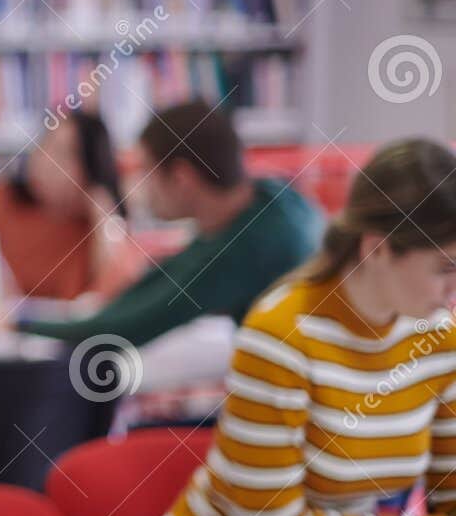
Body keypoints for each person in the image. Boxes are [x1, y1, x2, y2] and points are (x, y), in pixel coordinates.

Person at [148, 138, 456, 516]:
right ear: (377, 247)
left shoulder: (441, 337)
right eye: (445, 269)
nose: (452, 292)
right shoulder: (280, 336)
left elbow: (451, 507)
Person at [16, 99, 321, 349]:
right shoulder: (270, 199)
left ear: (181, 179)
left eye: (146, 170)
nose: (136, 185)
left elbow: (124, 330)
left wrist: (19, 324)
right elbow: (174, 273)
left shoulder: (250, 246)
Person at [0, 110, 139, 301]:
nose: (45, 161)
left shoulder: (97, 224)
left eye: (62, 154)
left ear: (91, 166)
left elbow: (113, 293)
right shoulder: (2, 200)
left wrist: (104, 215)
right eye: (43, 147)